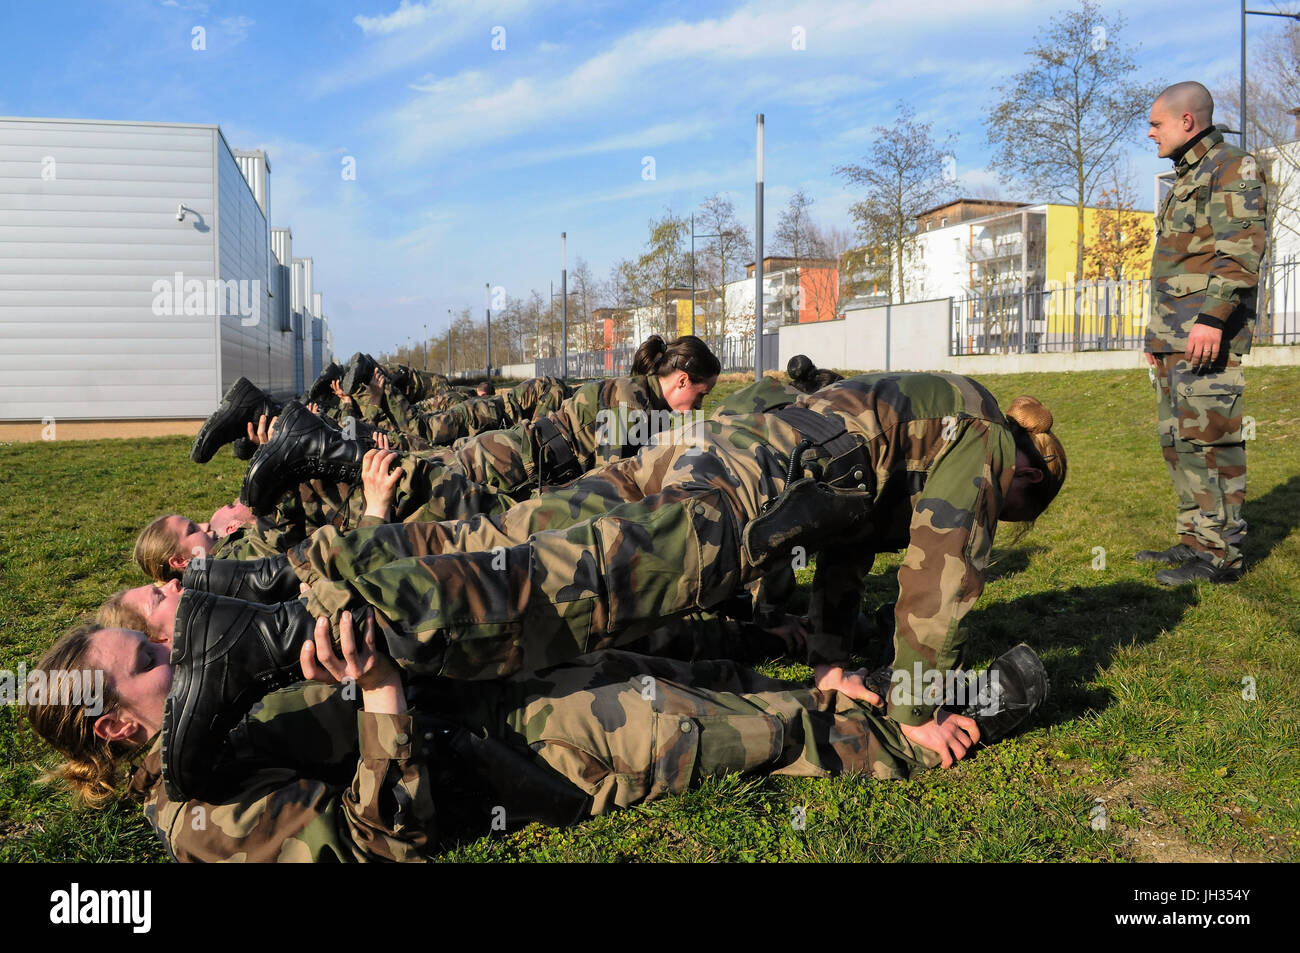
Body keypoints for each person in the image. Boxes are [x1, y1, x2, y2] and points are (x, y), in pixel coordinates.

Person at [206, 373, 1065, 775]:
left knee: (508, 527)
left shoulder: (926, 413)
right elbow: (939, 574)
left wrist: (832, 653)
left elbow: (847, 547)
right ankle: (296, 636)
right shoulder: (982, 436)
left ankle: (278, 561)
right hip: (748, 486)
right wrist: (914, 710)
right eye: (1016, 508)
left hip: (698, 455)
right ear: (1026, 475)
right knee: (573, 582)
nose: (1001, 513)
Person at [28, 607, 1047, 862]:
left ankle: (873, 682)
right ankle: (932, 733)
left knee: (691, 663)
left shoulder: (207, 719)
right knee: (740, 726)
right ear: (116, 722)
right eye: (151, 658)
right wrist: (377, 695)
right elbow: (385, 840)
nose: (176, 649)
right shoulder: (194, 814)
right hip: (528, 760)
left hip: (496, 699)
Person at [1140, 81, 1267, 585]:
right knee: (1180, 442)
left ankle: (1221, 557)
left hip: (1205, 332)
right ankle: (1193, 538)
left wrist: (1213, 318)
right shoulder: (1186, 177)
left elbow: (1239, 251)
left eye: (1156, 123)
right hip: (1175, 336)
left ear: (1186, 120)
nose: (1150, 133)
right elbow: (1174, 263)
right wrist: (1156, 337)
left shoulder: (1233, 167)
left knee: (1214, 442)